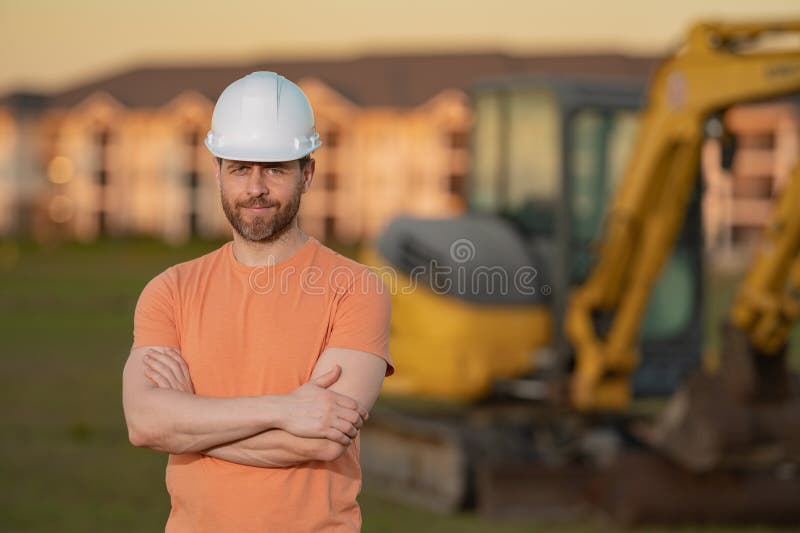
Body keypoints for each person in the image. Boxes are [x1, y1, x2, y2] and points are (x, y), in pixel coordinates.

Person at [122, 71, 393, 533]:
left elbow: (321, 441)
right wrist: (284, 409)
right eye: (241, 168)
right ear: (217, 171)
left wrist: (188, 424)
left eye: (275, 168)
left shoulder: (357, 288)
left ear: (307, 173)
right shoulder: (169, 290)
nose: (256, 188)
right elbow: (145, 424)